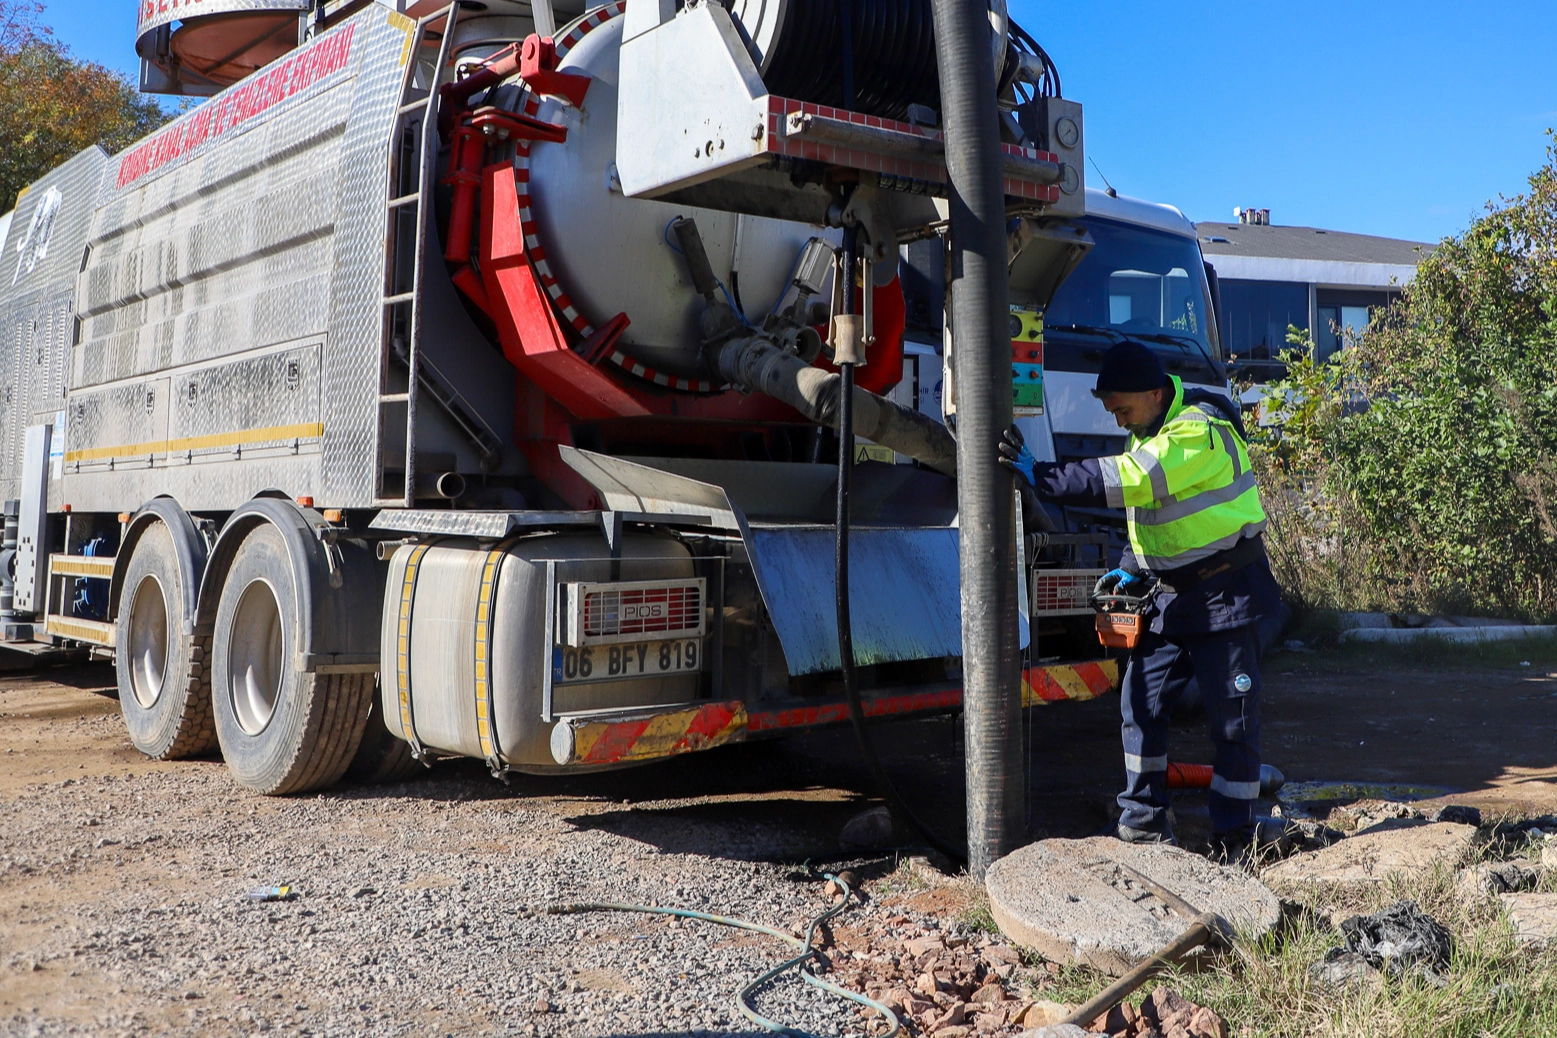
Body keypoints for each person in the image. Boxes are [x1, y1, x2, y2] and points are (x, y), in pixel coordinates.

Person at [1000, 341, 1281, 860]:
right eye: (1113, 411)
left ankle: (1235, 840)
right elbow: (1152, 511)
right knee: (1139, 703)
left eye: (1123, 409)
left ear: (1155, 393)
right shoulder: (1149, 430)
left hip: (1224, 595)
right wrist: (1132, 567)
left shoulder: (1197, 431)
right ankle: (1144, 823)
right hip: (1172, 597)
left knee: (1233, 721)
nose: (1119, 420)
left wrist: (1043, 475)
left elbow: (1133, 481)